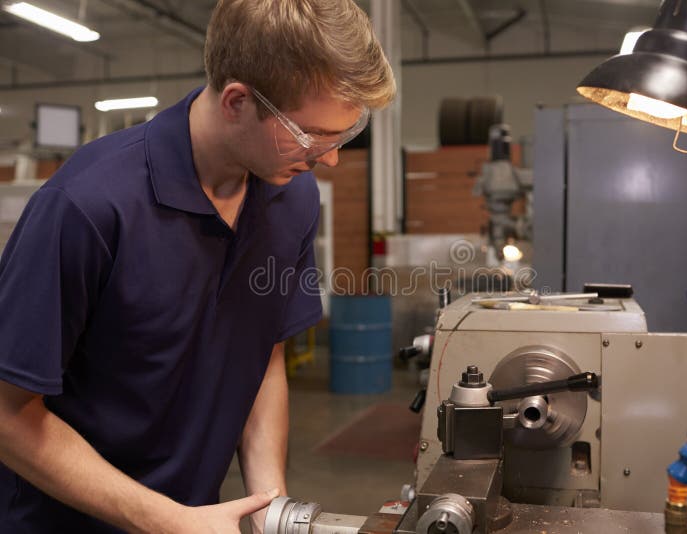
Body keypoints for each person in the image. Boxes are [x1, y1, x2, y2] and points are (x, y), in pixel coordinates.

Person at [0, 0, 395, 531]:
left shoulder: (293, 197)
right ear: (237, 101)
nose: (329, 159)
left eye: (342, 135)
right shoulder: (88, 206)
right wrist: (166, 520)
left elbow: (263, 354)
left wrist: (267, 505)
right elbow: (6, 415)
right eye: (311, 136)